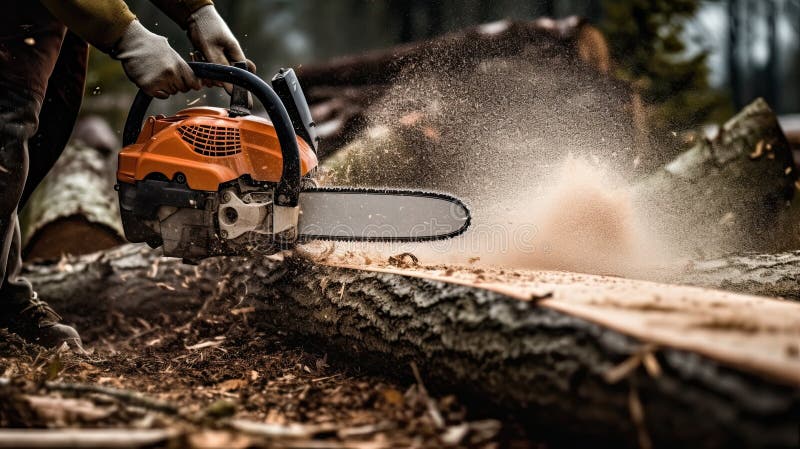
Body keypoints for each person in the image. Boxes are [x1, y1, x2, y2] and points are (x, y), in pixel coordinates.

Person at [0, 1, 249, 348]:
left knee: (42, 130)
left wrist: (195, 12)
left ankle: (3, 292)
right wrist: (127, 35)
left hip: (53, 16)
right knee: (5, 126)